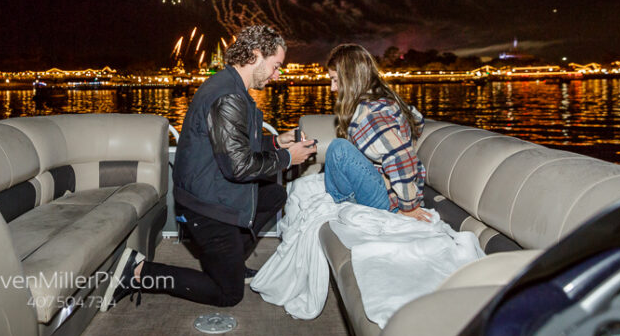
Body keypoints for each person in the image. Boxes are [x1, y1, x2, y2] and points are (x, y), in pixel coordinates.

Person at [101, 25, 317, 309]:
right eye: (276, 66)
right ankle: (139, 273)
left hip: (212, 189)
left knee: (275, 195)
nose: (279, 74)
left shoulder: (227, 84)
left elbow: (234, 145)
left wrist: (277, 142)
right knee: (228, 294)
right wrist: (289, 158)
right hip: (206, 205)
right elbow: (238, 166)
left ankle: (231, 265)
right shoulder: (229, 96)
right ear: (255, 55)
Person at [324, 43, 432, 222]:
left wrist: (408, 207)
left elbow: (401, 158)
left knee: (339, 150)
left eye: (335, 80)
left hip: (389, 201)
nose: (332, 88)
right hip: (390, 190)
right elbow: (417, 120)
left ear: (351, 78)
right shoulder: (385, 100)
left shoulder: (370, 115)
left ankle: (341, 205)